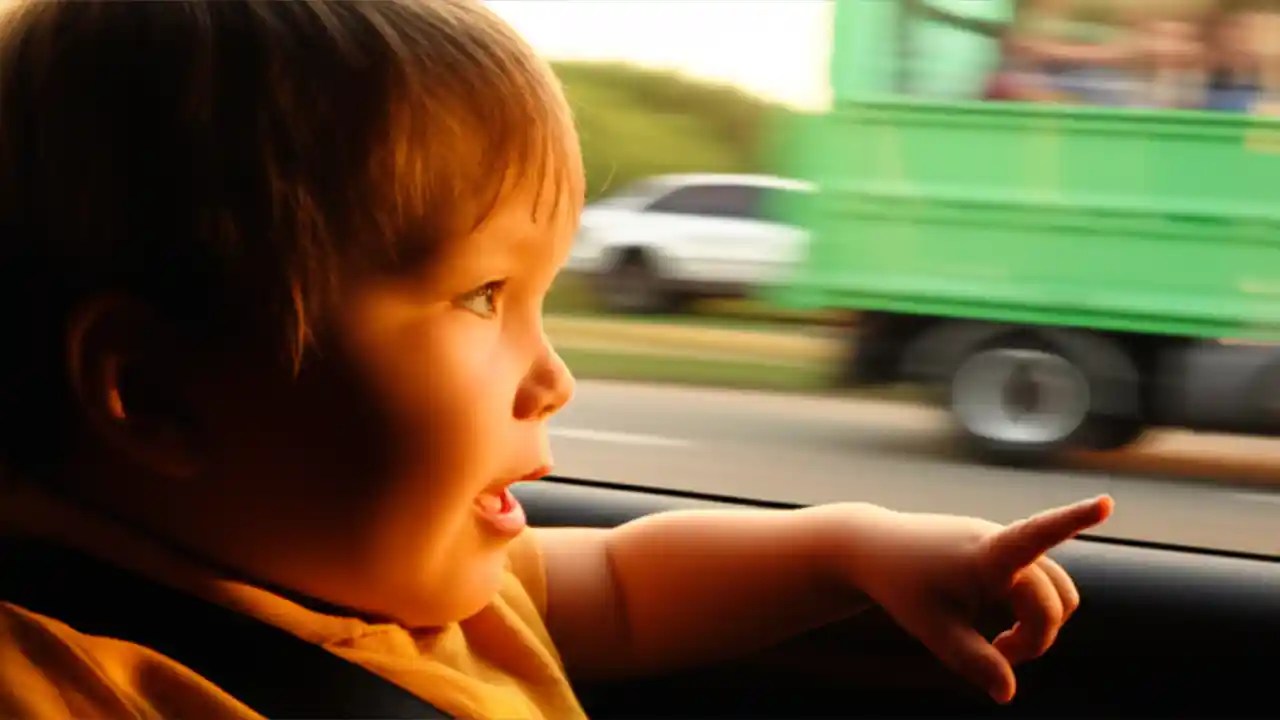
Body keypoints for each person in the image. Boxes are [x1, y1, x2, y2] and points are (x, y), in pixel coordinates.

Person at [0, 1, 1115, 718]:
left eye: (540, 296)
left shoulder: (410, 589)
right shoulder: (58, 681)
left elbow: (624, 582)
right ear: (150, 393)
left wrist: (842, 549)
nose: (555, 378)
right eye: (482, 297)